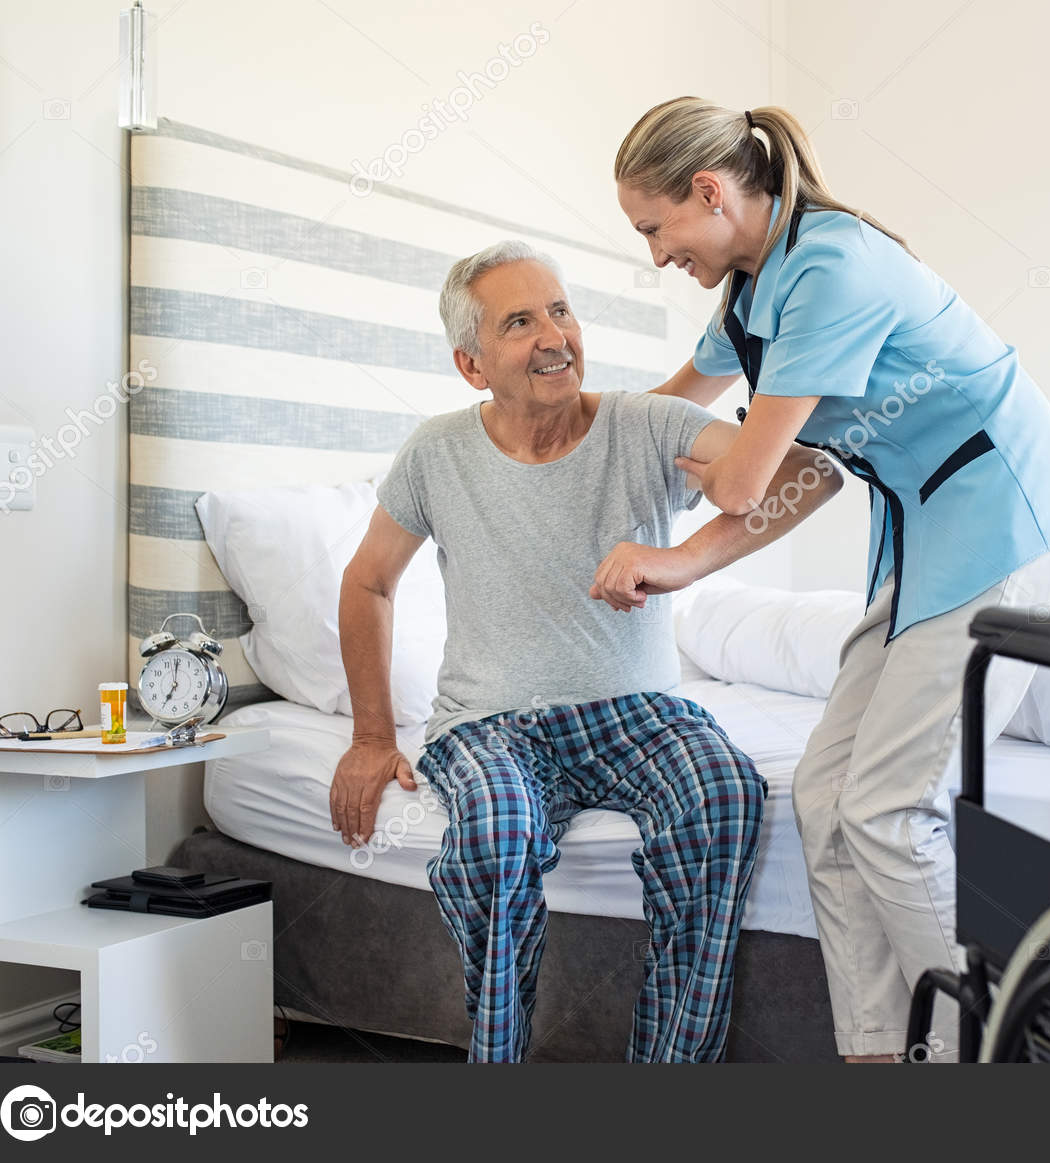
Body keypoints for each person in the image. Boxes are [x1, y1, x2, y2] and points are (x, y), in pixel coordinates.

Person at [611, 98, 1050, 1061]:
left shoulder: (832, 268)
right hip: (927, 542)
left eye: (653, 228)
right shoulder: (752, 291)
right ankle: (883, 1052)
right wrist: (568, 435)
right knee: (823, 796)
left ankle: (994, 1053)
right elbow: (671, 412)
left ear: (709, 192)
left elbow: (751, 479)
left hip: (1005, 526)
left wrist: (680, 537)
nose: (656, 253)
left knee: (887, 807)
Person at [330, 240, 841, 1062]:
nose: (554, 336)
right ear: (471, 364)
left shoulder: (648, 424)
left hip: (638, 713)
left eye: (561, 310)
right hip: (491, 725)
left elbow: (808, 476)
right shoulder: (436, 452)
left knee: (722, 793)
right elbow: (367, 582)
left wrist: (681, 561)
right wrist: (370, 736)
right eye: (520, 322)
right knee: (497, 830)